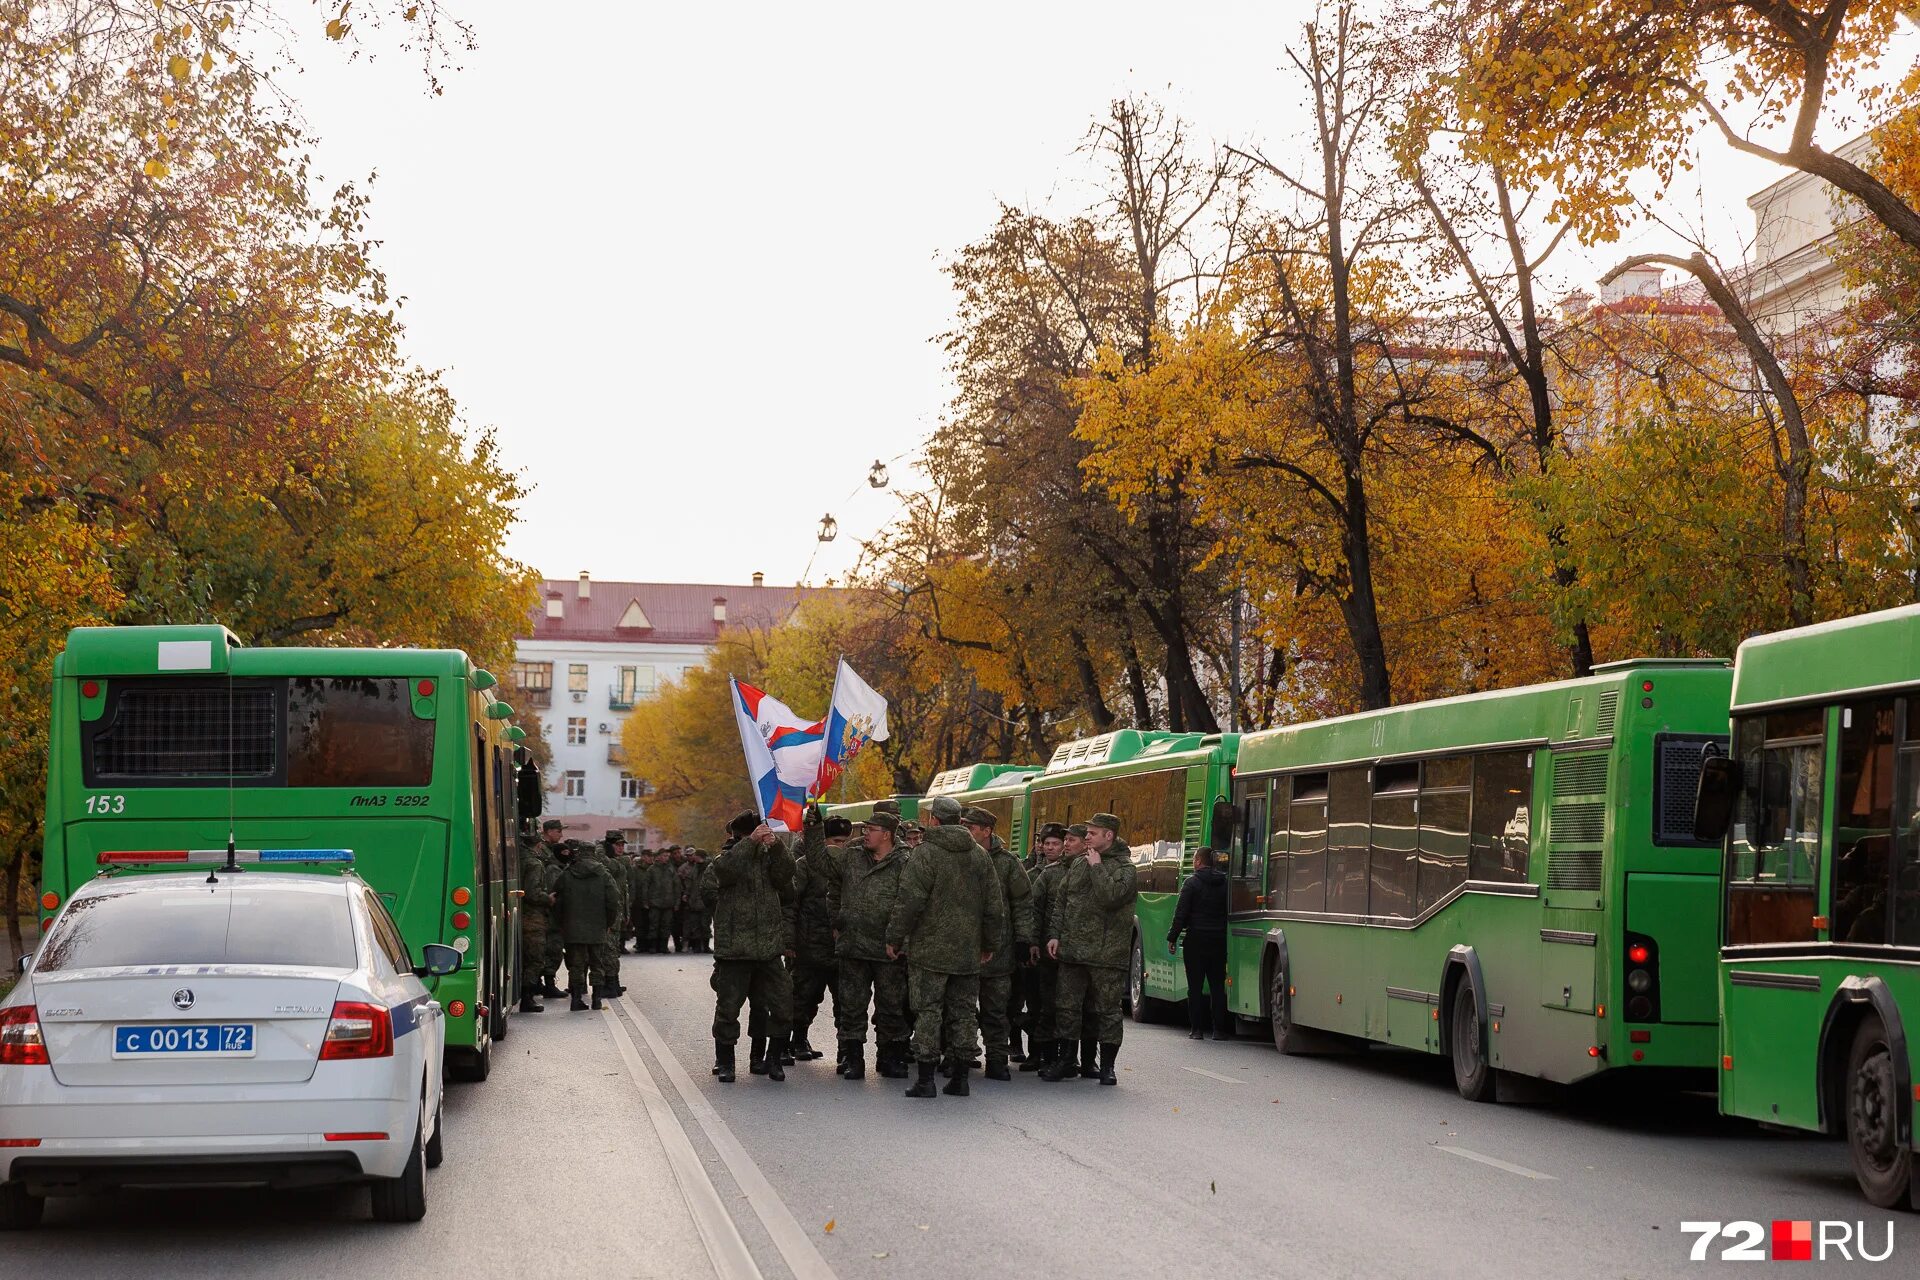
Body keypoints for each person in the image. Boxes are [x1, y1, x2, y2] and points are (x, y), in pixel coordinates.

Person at [885, 795, 1005, 1099]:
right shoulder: (979, 856)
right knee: (964, 1013)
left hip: (929, 952)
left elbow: (909, 901)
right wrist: (989, 944)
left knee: (928, 1012)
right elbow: (994, 906)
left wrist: (894, 938)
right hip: (967, 952)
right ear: (960, 822)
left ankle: (926, 1080)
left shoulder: (925, 854)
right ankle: (961, 1078)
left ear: (934, 820)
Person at [1041, 812, 1137, 1085]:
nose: (1087, 837)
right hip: (1072, 950)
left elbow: (1111, 897)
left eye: (1092, 833)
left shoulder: (1125, 869)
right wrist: (1055, 935)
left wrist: (1097, 867)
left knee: (1106, 1011)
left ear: (1109, 835)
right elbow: (1062, 899)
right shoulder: (1078, 864)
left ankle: (1106, 1066)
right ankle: (1066, 1060)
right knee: (1067, 1007)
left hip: (1106, 954)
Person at [704, 811, 797, 1083]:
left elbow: (787, 879)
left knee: (779, 1004)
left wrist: (776, 846)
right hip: (735, 950)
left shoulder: (769, 860)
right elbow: (723, 873)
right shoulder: (727, 858)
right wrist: (749, 844)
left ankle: (770, 1058)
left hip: (767, 949)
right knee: (728, 1009)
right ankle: (726, 1062)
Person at [830, 811, 911, 1079]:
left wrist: (900, 939)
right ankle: (853, 1059)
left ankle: (890, 1058)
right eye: (865, 829)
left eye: (871, 829)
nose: (865, 833)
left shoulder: (906, 862)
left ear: (886, 834)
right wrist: (809, 827)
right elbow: (822, 868)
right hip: (853, 946)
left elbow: (911, 904)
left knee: (891, 1006)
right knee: (852, 1006)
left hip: (889, 948)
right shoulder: (852, 857)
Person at [963, 806, 1033, 1081]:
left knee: (996, 1010)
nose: (966, 832)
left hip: (999, 953)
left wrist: (1023, 939)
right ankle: (963, 1054)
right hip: (964, 949)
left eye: (971, 828)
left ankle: (996, 1059)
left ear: (987, 831)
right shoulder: (962, 858)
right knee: (963, 1010)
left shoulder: (1007, 863)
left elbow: (1023, 903)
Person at [788, 815, 847, 1065]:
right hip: (810, 945)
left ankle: (847, 1050)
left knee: (846, 1002)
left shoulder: (850, 865)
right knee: (805, 998)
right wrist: (789, 940)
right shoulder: (805, 866)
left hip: (841, 947)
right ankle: (798, 1039)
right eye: (836, 840)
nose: (841, 846)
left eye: (845, 841)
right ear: (822, 841)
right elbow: (790, 903)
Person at [1168, 846, 1231, 1040]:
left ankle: (1196, 1030)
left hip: (1195, 941)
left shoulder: (1191, 883)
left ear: (1197, 861)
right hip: (1219, 941)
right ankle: (1219, 1030)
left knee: (1194, 987)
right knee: (1217, 987)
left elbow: (1181, 914)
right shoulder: (1225, 883)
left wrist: (1173, 937)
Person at [1019, 823, 1068, 1072]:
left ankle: (1065, 1055)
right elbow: (1030, 911)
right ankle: (1035, 1052)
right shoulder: (1032, 872)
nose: (1049, 848)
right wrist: (1030, 943)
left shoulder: (1066, 872)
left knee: (1060, 1005)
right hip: (1039, 949)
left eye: (1055, 844)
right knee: (1037, 1004)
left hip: (1060, 948)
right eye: (1046, 843)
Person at [552, 839, 622, 1010]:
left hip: (573, 927)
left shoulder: (567, 874)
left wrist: (561, 922)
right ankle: (597, 999)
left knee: (576, 965)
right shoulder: (604, 874)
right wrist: (608, 922)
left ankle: (576, 1000)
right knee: (597, 964)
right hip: (597, 927)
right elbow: (613, 901)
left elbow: (556, 898)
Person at [517, 836, 555, 1013]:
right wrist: (548, 898)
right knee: (535, 959)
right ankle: (527, 998)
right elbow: (532, 893)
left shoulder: (519, 858)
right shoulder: (534, 864)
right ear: (539, 845)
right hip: (532, 918)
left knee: (526, 958)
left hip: (522, 917)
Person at [535, 819, 570, 998]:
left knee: (547, 948)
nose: (561, 835)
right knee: (552, 947)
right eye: (558, 831)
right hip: (546, 907)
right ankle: (546, 983)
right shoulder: (543, 850)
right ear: (548, 831)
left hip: (545, 906)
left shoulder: (548, 850)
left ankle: (540, 982)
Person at [642, 848, 680, 953]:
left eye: (667, 856)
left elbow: (677, 886)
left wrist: (677, 902)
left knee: (666, 925)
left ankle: (664, 946)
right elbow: (646, 886)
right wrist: (645, 901)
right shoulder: (652, 869)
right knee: (654, 925)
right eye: (664, 856)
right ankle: (653, 946)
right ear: (658, 857)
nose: (666, 858)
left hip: (668, 902)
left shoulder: (671, 869)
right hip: (655, 902)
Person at [682, 850, 711, 951]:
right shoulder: (695, 867)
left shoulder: (709, 867)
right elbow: (689, 883)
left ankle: (706, 946)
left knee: (705, 924)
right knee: (695, 925)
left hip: (705, 901)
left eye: (695, 855)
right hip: (694, 901)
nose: (693, 856)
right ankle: (697, 947)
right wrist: (686, 894)